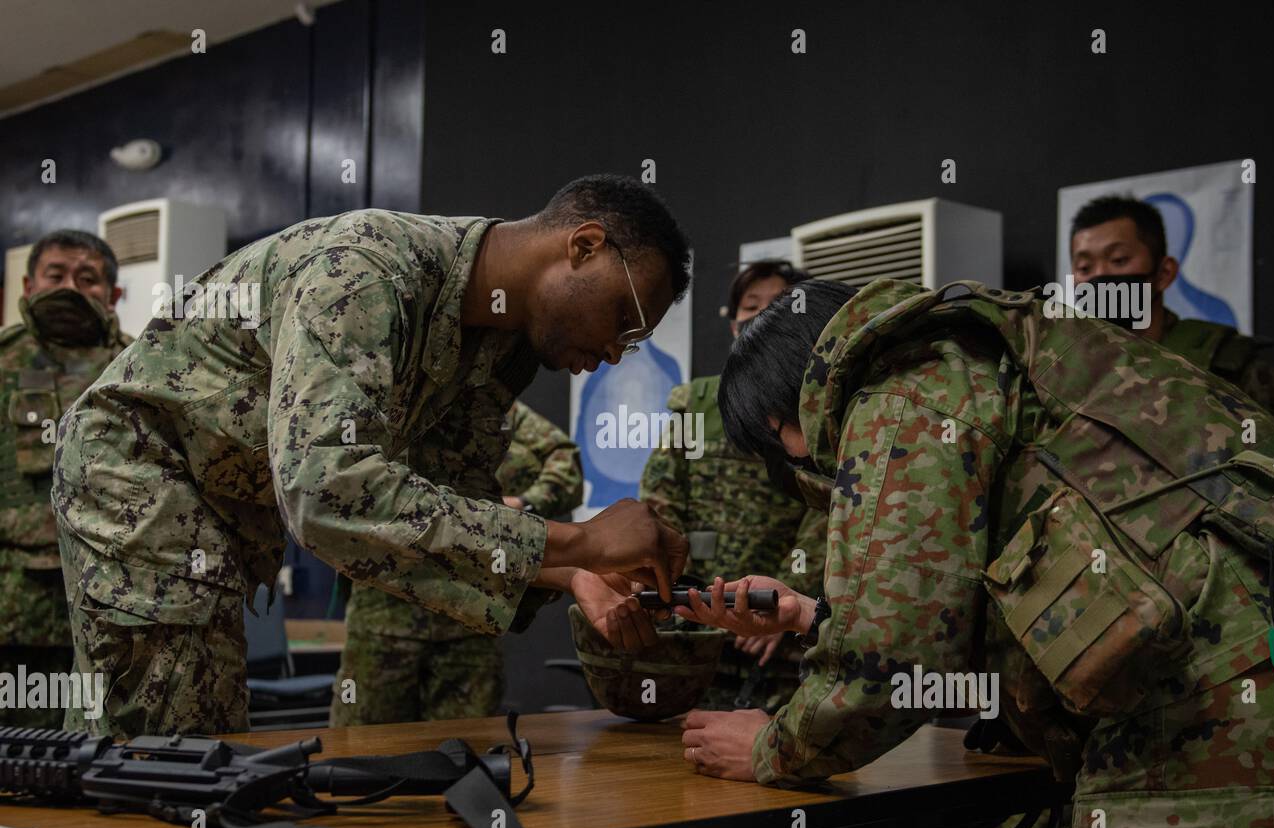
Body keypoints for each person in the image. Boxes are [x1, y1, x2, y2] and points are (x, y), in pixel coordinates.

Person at [588, 276, 1274, 828]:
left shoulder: (899, 395)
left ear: (784, 412)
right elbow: (976, 599)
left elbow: (895, 658)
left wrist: (772, 745)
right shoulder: (967, 354)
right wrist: (810, 614)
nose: (800, 466)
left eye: (781, 446)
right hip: (1249, 659)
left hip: (1214, 705)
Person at [53, 174, 689, 737]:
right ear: (583, 246)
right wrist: (581, 543)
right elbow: (325, 490)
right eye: (623, 320)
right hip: (140, 473)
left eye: (633, 342)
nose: (614, 353)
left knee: (204, 745)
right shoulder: (366, 270)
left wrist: (570, 574)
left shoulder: (497, 347)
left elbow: (449, 505)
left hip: (220, 501)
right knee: (164, 747)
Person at [639, 260, 825, 712]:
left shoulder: (818, 408)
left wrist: (789, 598)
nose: (758, 316)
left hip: (774, 625)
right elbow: (659, 501)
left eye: (777, 305)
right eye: (750, 306)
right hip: (697, 621)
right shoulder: (695, 406)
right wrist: (672, 590)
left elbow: (828, 513)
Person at [333, 399, 583, 724]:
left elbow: (566, 461)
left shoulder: (491, 401)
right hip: (386, 616)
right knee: (360, 749)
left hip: (469, 615)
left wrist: (526, 505)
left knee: (467, 750)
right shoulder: (390, 393)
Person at [0, 230, 131, 728]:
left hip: (113, 608)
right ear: (30, 283)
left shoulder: (142, 365)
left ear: (114, 294)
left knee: (99, 758)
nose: (71, 287)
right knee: (18, 762)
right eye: (56, 275)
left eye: (88, 277)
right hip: (14, 615)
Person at [1070, 194, 1274, 421]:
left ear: (1164, 273)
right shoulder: (1062, 371)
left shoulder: (1225, 366)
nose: (1099, 275)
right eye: (1085, 267)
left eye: (1118, 260)